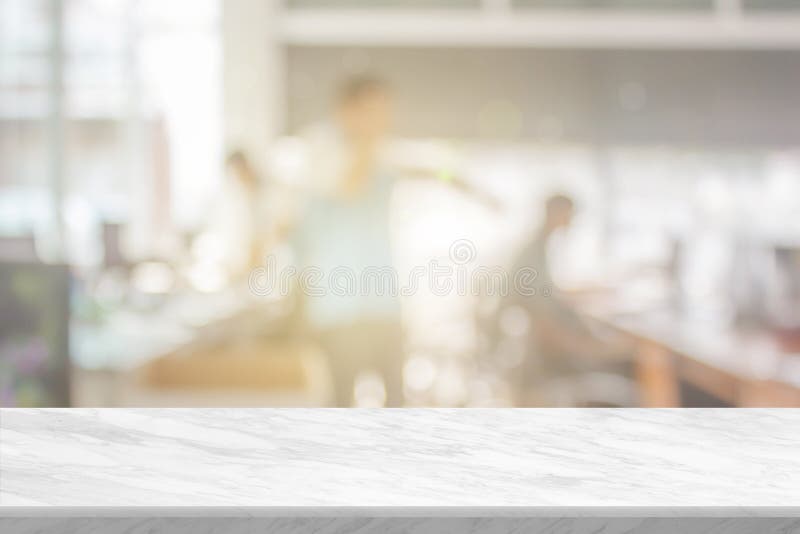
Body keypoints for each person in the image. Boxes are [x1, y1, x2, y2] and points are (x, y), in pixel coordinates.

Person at [289, 76, 495, 406]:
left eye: (386, 112)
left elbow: (427, 170)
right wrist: (369, 142)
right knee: (342, 402)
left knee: (396, 401)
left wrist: (459, 181)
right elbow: (349, 186)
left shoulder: (380, 152)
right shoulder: (319, 148)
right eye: (374, 111)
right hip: (339, 309)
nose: (383, 120)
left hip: (383, 305)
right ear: (345, 110)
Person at [506, 194, 629, 402]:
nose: (573, 220)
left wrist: (587, 292)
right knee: (635, 368)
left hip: (549, 355)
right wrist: (597, 350)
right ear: (556, 213)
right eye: (570, 214)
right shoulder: (533, 254)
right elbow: (543, 326)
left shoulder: (536, 247)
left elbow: (545, 293)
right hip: (550, 365)